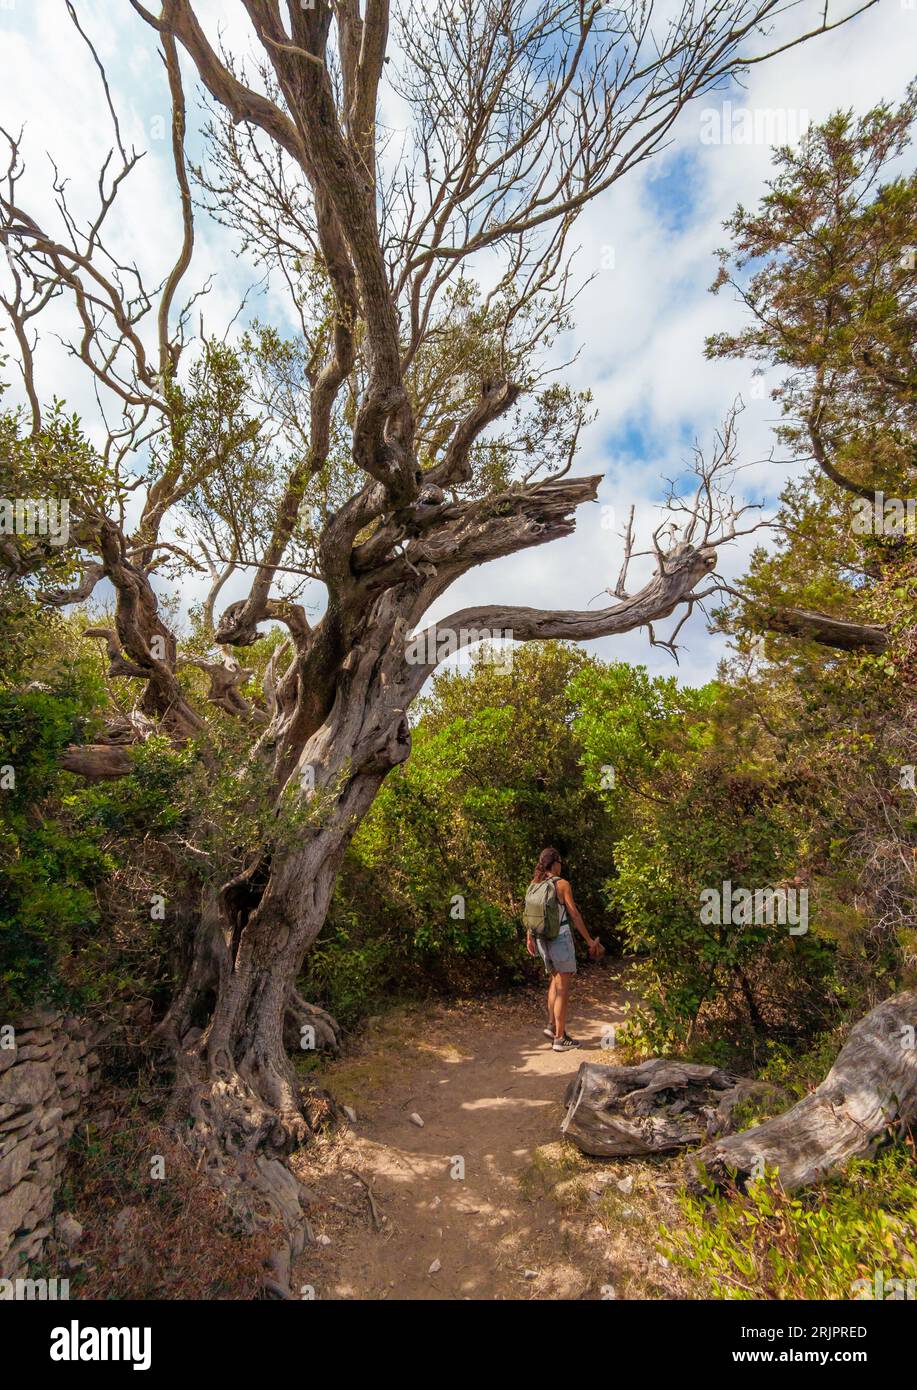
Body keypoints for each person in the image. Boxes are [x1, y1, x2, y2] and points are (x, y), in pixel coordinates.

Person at [525, 847, 602, 1051]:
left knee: (554, 980)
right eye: (560, 862)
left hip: (541, 939)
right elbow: (574, 915)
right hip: (560, 938)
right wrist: (589, 941)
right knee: (563, 989)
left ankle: (552, 1026)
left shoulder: (535, 883)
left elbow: (530, 913)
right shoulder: (562, 884)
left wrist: (529, 937)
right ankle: (560, 1039)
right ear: (555, 863)